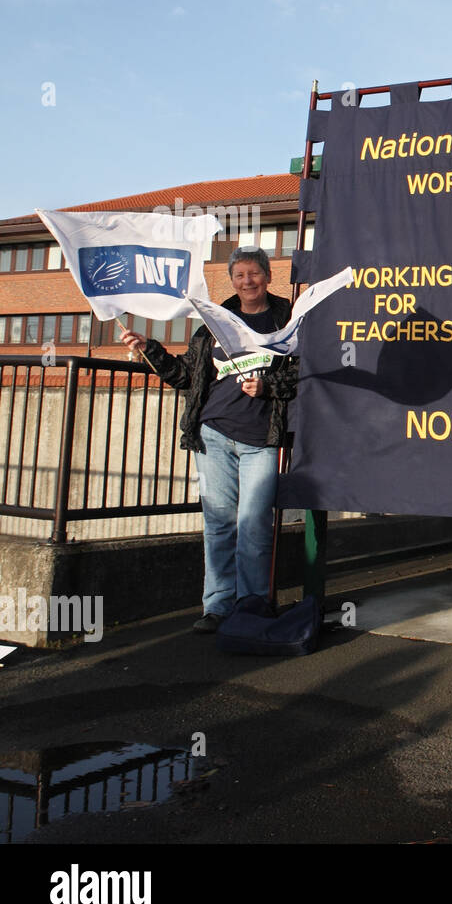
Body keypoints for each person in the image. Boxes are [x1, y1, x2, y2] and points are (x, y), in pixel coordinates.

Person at [120, 247, 297, 633]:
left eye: (254, 274)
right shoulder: (215, 320)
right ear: (232, 281)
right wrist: (149, 348)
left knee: (254, 525)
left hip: (261, 439)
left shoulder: (288, 318)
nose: (247, 281)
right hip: (213, 434)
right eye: (239, 276)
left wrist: (267, 386)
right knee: (219, 524)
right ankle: (216, 607)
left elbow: (303, 374)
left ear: (267, 277)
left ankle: (253, 605)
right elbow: (186, 375)